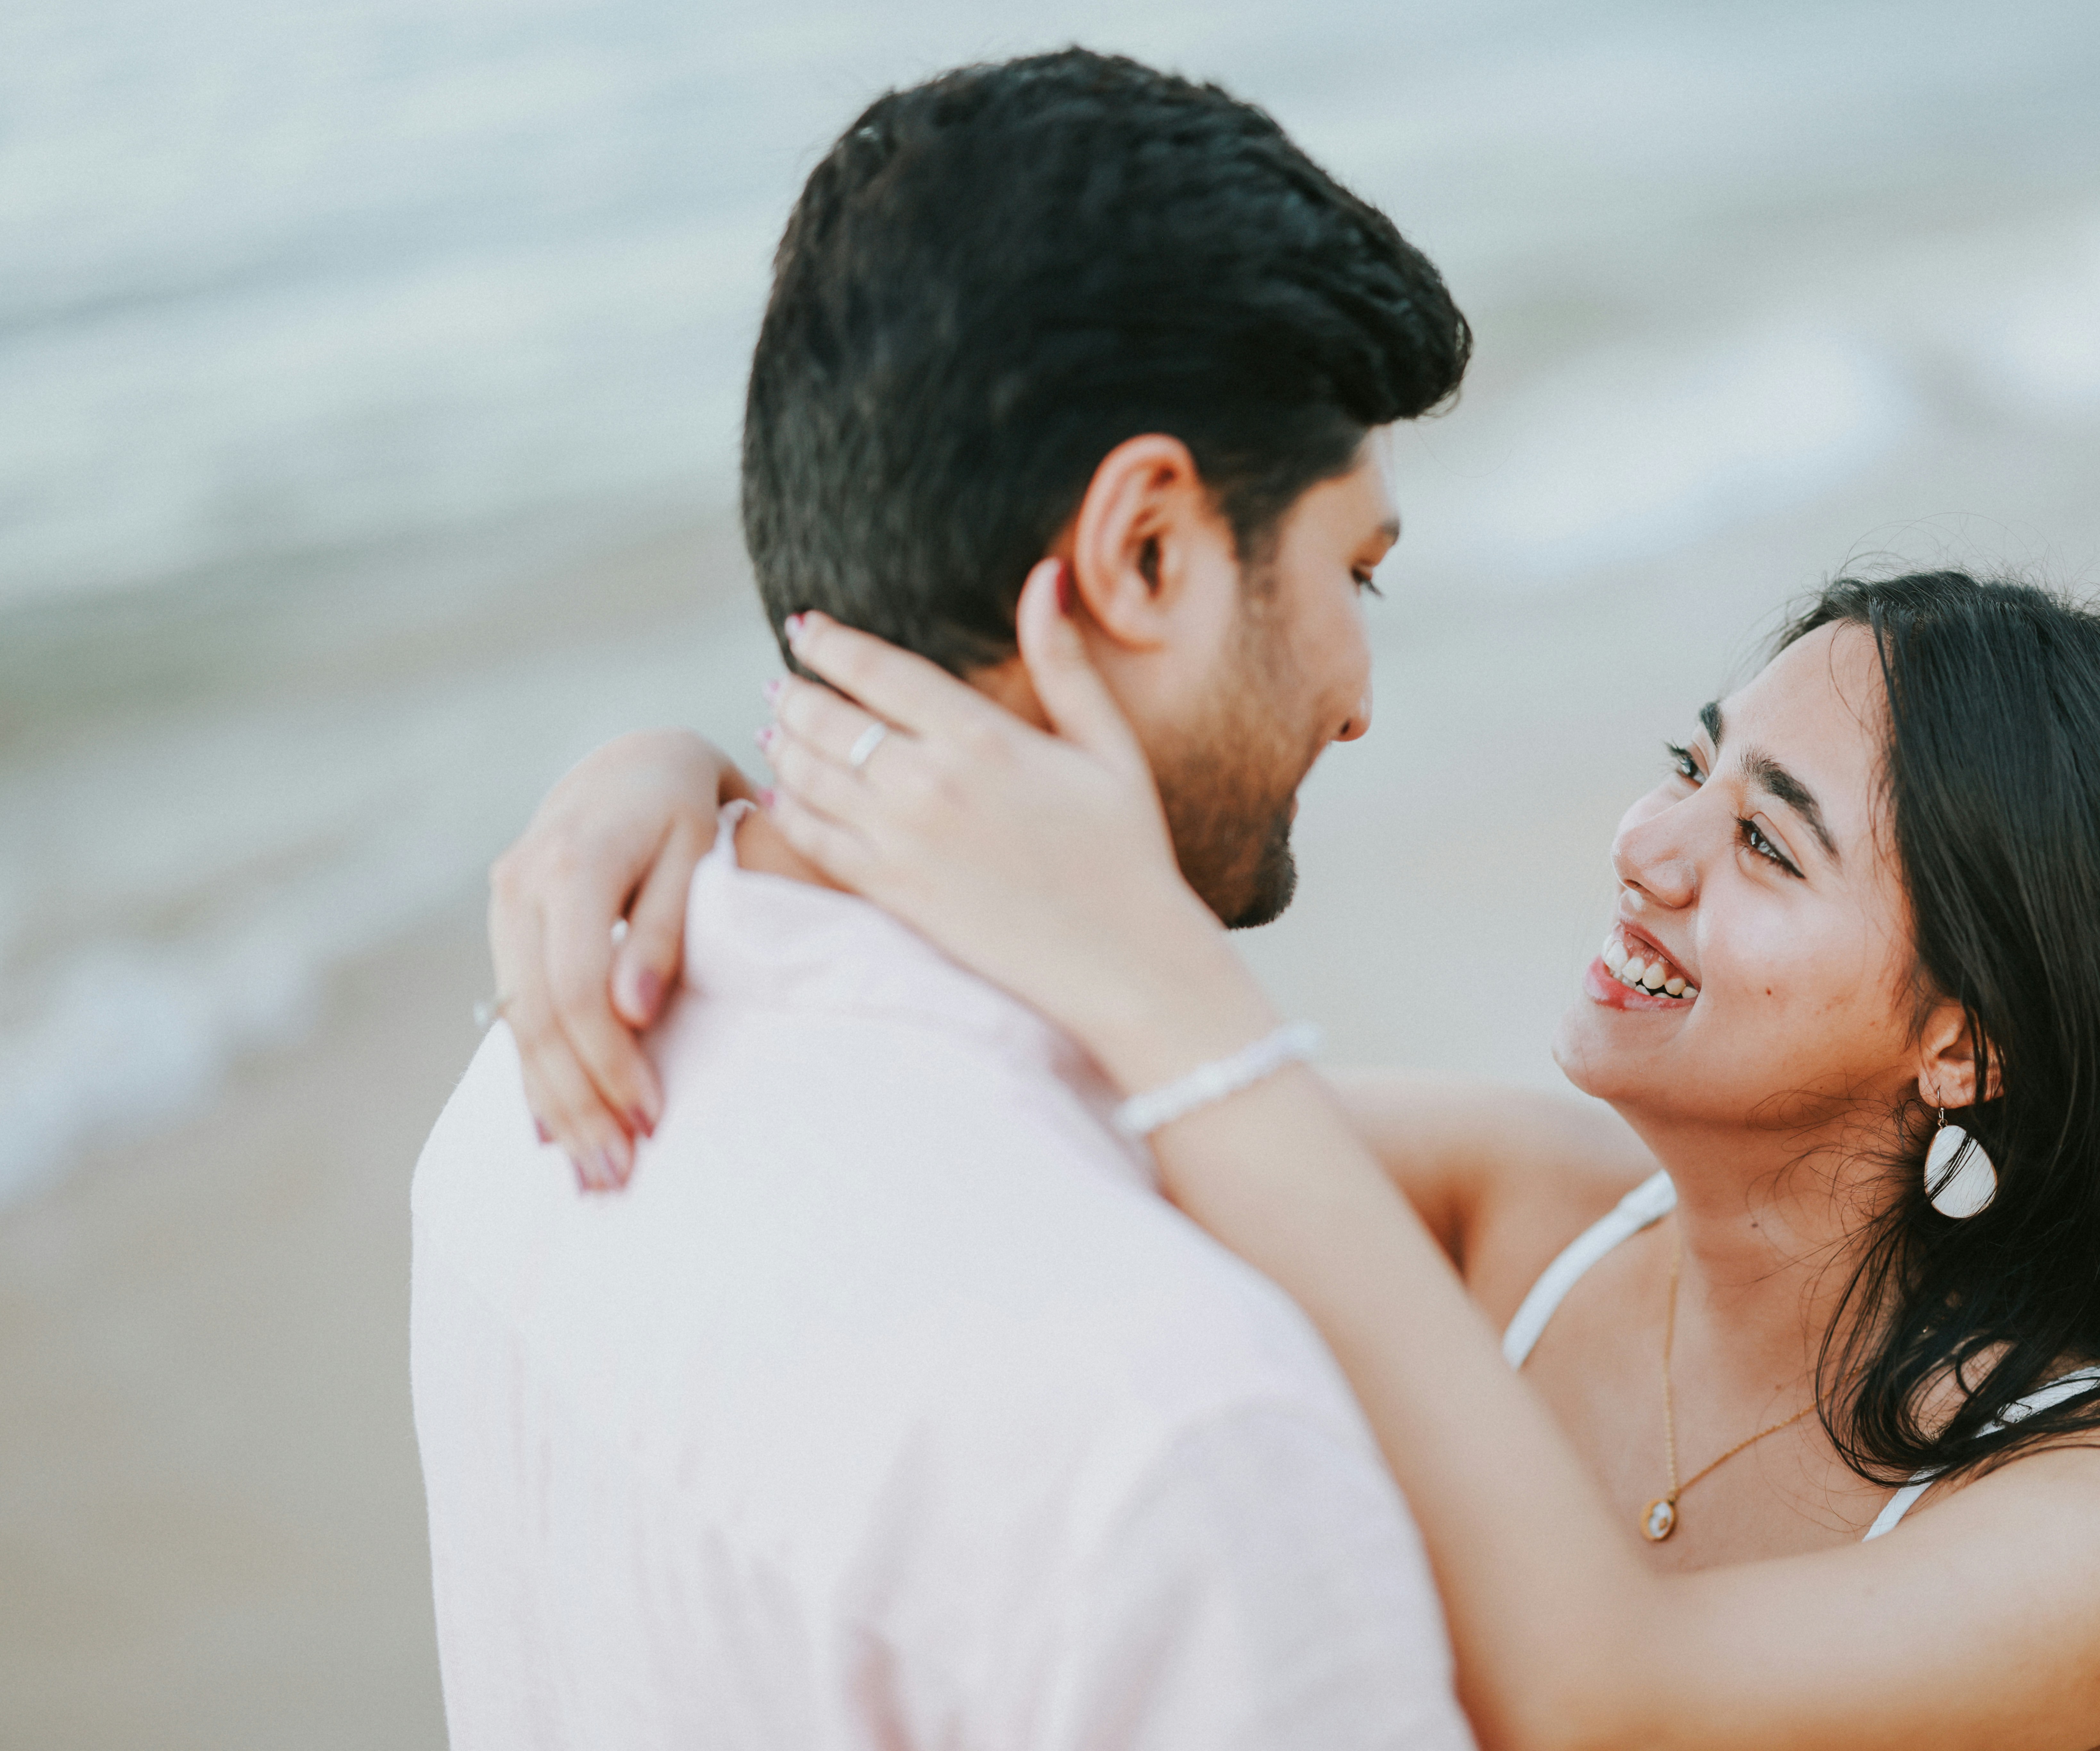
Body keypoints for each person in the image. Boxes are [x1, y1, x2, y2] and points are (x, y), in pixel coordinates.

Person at [499, 566, 2100, 1749]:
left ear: (1969, 1040)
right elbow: (956, 1105)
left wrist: (1178, 990)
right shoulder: (1524, 1215)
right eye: (1691, 767)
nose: (1646, 847)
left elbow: (1610, 1699)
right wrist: (697, 798)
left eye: (1768, 843)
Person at [412, 50, 1478, 1749]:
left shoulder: (512, 1097)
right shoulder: (1177, 1430)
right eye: (1355, 571)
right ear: (1144, 553)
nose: (1361, 696)